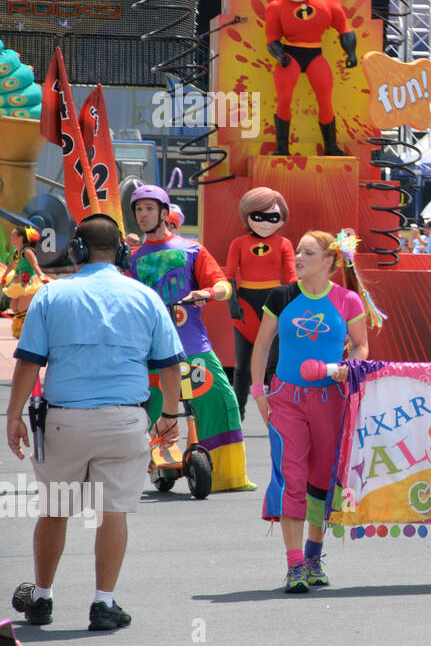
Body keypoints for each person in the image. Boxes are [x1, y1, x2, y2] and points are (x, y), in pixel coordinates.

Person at [8, 214, 184, 630]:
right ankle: (103, 604)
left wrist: (13, 416)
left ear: (75, 250)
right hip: (124, 422)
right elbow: (171, 366)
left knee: (54, 510)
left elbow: (29, 363)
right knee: (113, 512)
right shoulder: (145, 297)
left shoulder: (51, 297)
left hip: (63, 422)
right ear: (122, 251)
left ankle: (43, 598)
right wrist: (170, 416)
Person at [251, 229, 382, 592]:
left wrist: (347, 367)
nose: (298, 258)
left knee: (321, 482)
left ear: (329, 262)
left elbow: (361, 346)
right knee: (291, 479)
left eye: (307, 253)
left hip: (331, 400)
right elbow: (261, 346)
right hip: (285, 399)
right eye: (298, 251)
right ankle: (294, 566)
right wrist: (259, 392)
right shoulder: (281, 297)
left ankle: (313, 555)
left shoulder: (348, 300)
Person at [128, 185, 253, 492]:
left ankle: (227, 476)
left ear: (163, 212)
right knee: (145, 412)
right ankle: (153, 466)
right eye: (138, 210)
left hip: (193, 346)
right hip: (151, 352)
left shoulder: (192, 249)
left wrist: (206, 293)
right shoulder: (131, 260)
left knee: (221, 403)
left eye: (148, 208)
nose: (143, 215)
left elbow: (224, 286)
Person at [266, 0, 356, 156]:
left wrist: (351, 53)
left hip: (315, 53)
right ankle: (282, 146)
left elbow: (344, 28)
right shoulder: (277, 6)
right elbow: (271, 39)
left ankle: (331, 146)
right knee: (284, 98)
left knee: (325, 97)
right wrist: (280, 55)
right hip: (291, 53)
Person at [225, 187, 295, 419]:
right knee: (242, 366)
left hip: (276, 304)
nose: (265, 223)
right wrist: (232, 302)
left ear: (282, 217)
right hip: (245, 305)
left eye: (273, 217)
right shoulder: (238, 243)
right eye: (259, 216)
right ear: (247, 215)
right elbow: (230, 274)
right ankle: (238, 412)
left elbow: (292, 275)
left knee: (274, 365)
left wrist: (293, 302)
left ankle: (278, 410)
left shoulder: (284, 243)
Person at [1, 224, 49, 339]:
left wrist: (42, 277)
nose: (11, 237)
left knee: (23, 307)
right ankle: (22, 331)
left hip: (31, 282)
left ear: (21, 238)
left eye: (13, 235)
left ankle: (32, 332)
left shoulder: (27, 252)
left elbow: (35, 265)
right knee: (14, 305)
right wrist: (4, 276)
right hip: (21, 282)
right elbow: (11, 266)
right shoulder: (17, 253)